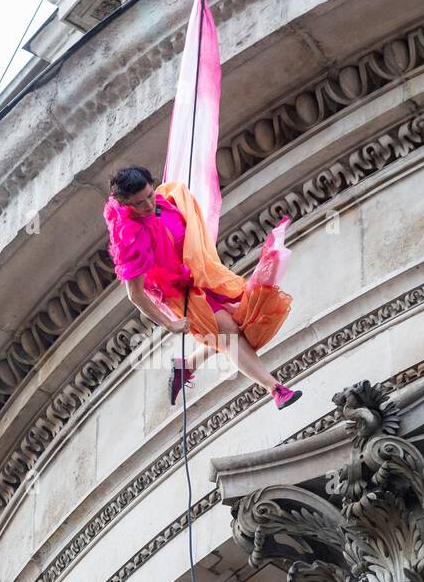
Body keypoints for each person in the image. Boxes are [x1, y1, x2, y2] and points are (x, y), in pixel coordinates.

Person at [104, 165, 302, 409]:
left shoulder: (167, 199)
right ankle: (275, 389)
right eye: (139, 204)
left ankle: (186, 365)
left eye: (149, 195)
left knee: (245, 316)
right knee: (229, 332)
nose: (148, 205)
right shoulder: (130, 239)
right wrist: (170, 324)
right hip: (181, 293)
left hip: (202, 274)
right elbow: (135, 295)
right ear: (125, 204)